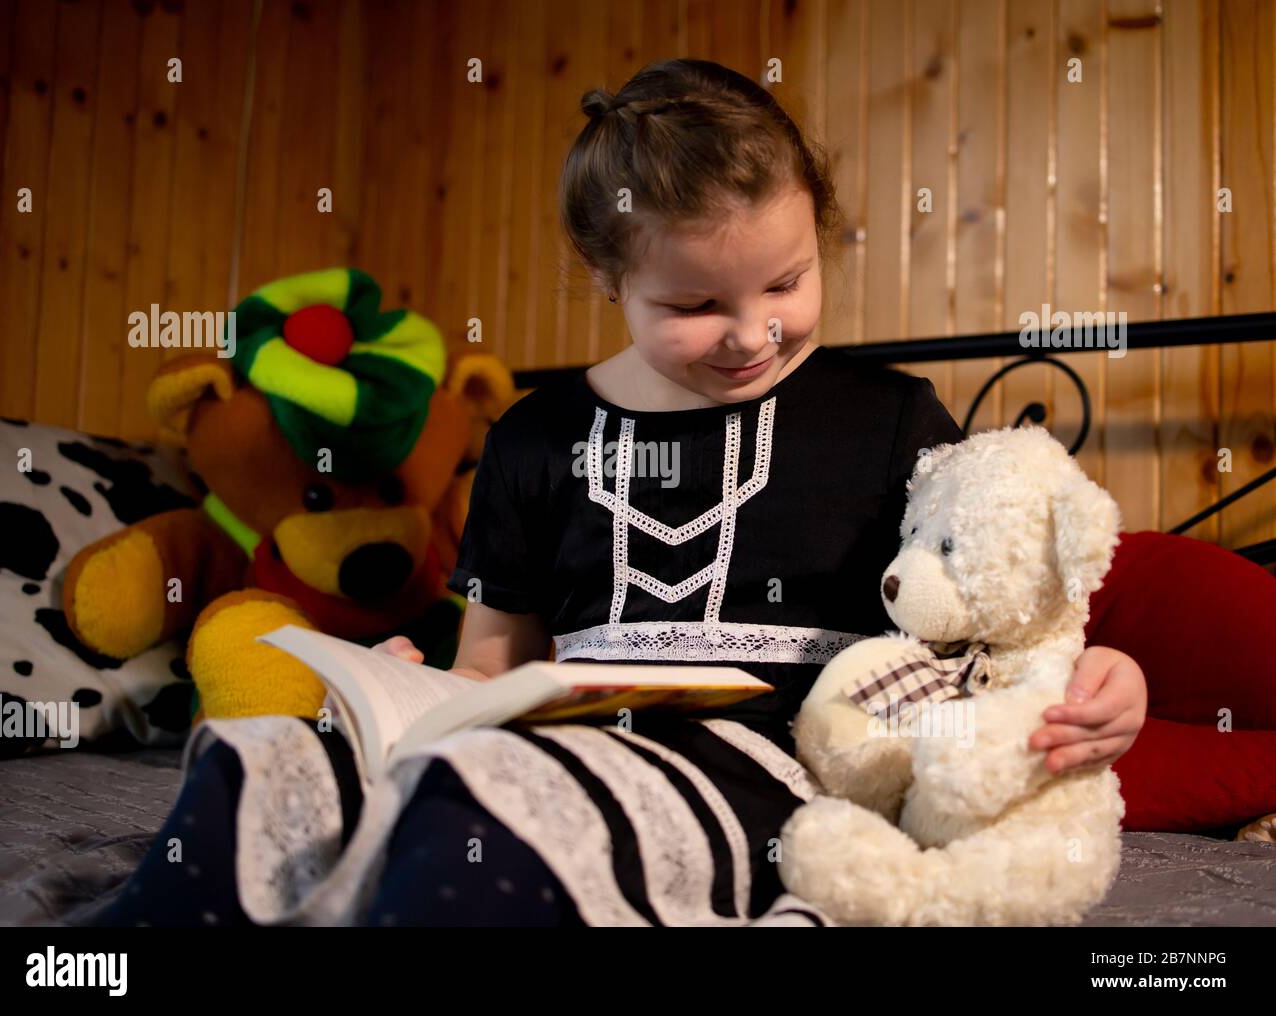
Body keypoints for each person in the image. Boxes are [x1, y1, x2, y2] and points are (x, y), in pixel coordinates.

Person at [90, 58, 1146, 929]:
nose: (751, 331)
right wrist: (399, 691)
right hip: (562, 723)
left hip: (784, 760)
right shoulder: (537, 436)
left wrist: (1104, 678)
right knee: (266, 759)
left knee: (490, 810)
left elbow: (1008, 620)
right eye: (692, 302)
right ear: (607, 278)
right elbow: (491, 661)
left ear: (817, 233)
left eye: (785, 282)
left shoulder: (894, 420)